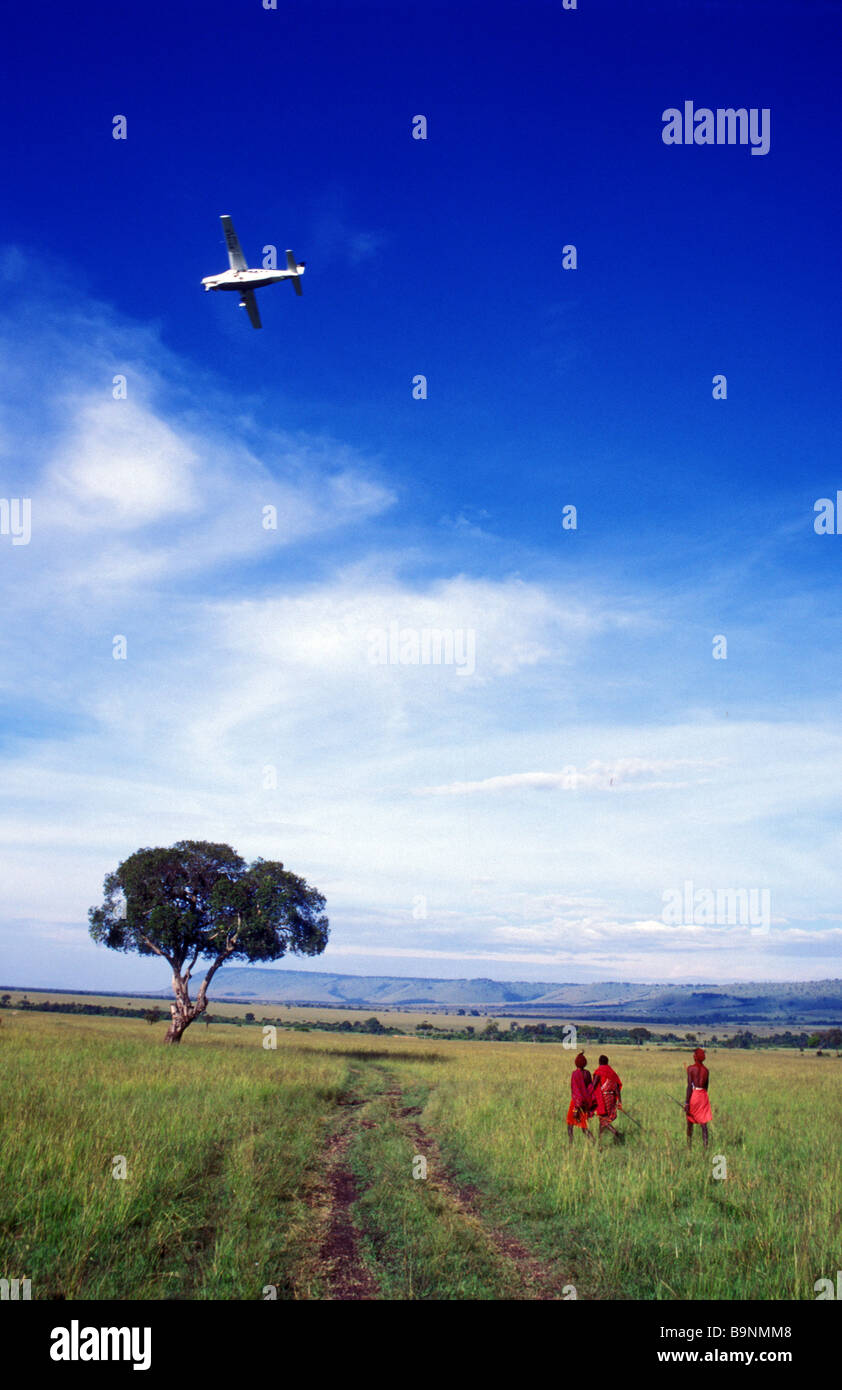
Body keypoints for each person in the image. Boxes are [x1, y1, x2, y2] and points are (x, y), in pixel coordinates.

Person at [685, 1046, 712, 1149]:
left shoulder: (691, 1068)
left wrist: (687, 1103)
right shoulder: (706, 1071)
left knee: (690, 1120)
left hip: (695, 1095)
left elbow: (689, 1086)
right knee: (704, 1124)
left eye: (694, 1054)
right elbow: (706, 1087)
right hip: (704, 1096)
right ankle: (705, 1148)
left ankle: (689, 1146)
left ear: (696, 1057)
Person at [592, 1053, 623, 1144]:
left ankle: (616, 1133)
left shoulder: (599, 1071)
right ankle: (599, 1140)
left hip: (603, 1098)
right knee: (603, 1119)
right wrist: (619, 1101)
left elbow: (593, 1085)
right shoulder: (612, 1072)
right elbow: (617, 1088)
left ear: (599, 1062)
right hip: (612, 1098)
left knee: (603, 1119)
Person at [567, 1051, 595, 1143]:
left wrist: (576, 1108)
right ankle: (596, 1144)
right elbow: (590, 1088)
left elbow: (576, 1091)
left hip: (576, 1103)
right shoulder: (587, 1073)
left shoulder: (575, 1074)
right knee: (584, 1128)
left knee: (570, 1125)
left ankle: (570, 1146)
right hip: (585, 1103)